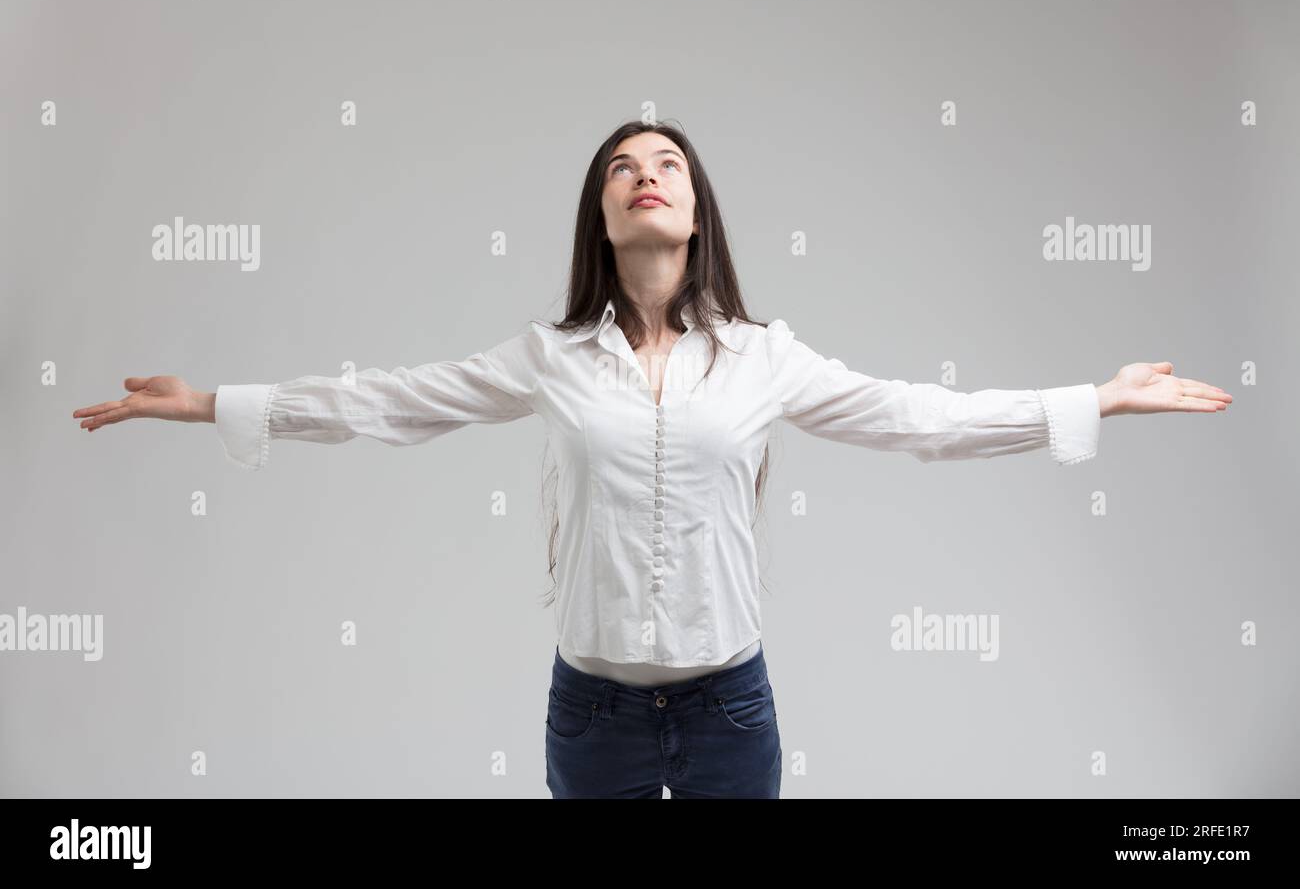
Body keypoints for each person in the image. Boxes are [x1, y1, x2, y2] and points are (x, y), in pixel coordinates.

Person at [72, 121, 1233, 798]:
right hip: (593, 717)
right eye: (622, 164)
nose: (645, 172)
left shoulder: (767, 358)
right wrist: (216, 401)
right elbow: (390, 402)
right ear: (601, 213)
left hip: (733, 709)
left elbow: (919, 418)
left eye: (666, 161)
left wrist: (1096, 399)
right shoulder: (550, 357)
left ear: (695, 206)